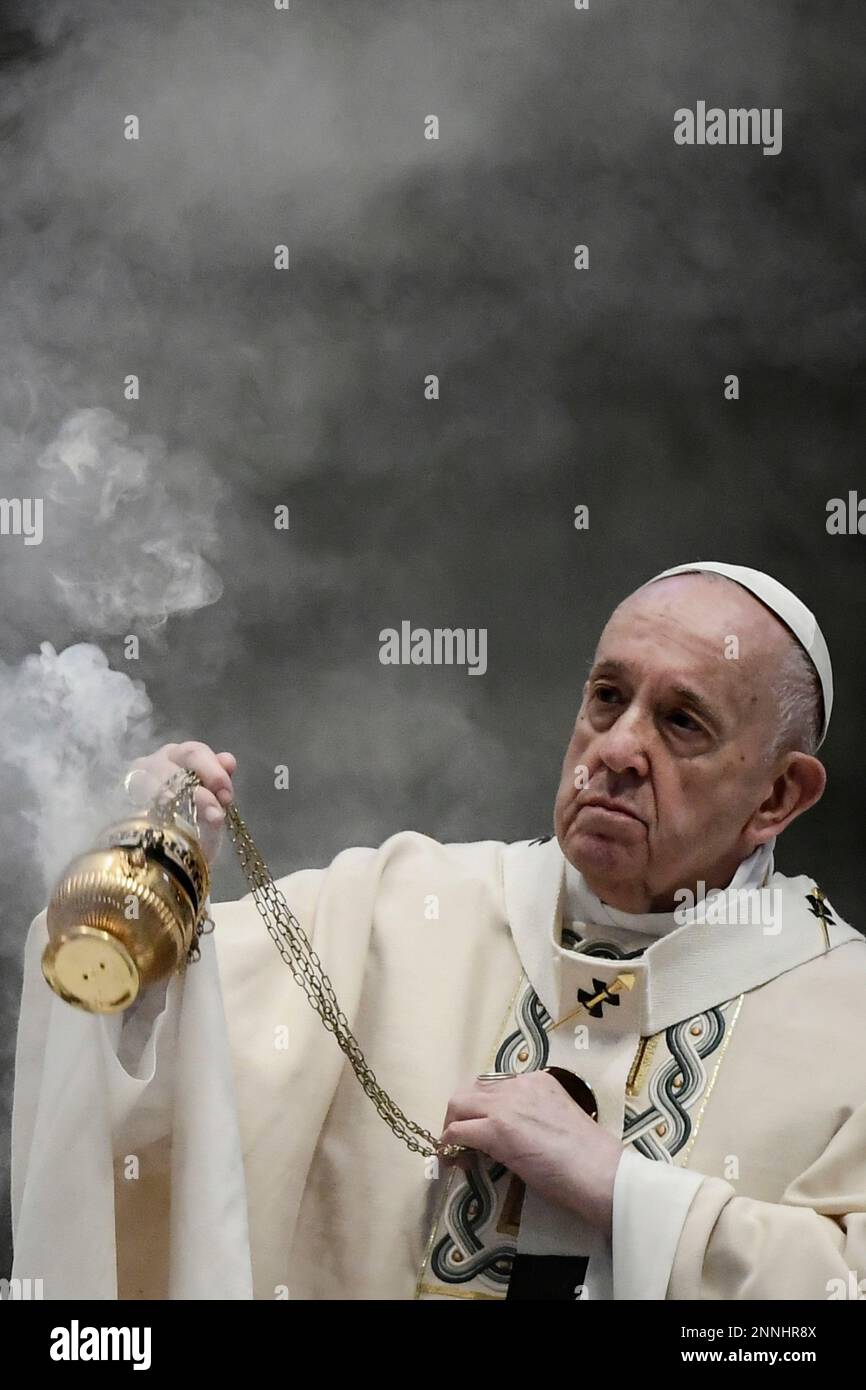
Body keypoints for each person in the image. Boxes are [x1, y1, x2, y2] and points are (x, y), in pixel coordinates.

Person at [10, 561, 866, 1301]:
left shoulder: (847, 1014)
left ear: (779, 796)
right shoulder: (389, 907)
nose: (617, 748)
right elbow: (142, 1063)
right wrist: (146, 878)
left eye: (683, 722)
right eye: (608, 698)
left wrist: (623, 1192)